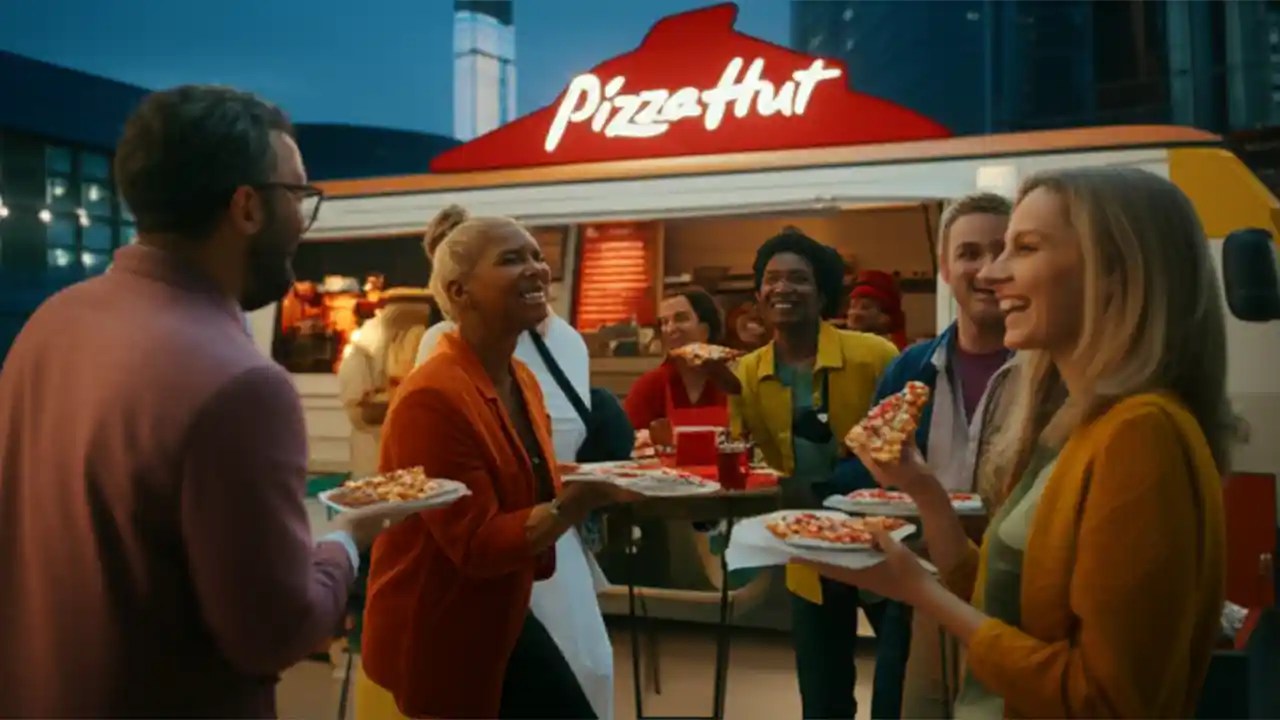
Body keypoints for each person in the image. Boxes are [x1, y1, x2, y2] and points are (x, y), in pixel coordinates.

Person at [0, 85, 404, 717]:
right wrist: (348, 541)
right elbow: (275, 631)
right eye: (299, 196)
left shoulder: (51, 324)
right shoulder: (242, 386)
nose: (303, 219)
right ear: (246, 207)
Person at [802, 167, 1230, 717]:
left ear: (1116, 273)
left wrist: (921, 592)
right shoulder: (1079, 423)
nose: (994, 275)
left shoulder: (1141, 434)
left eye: (1023, 248)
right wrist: (922, 488)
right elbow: (1003, 595)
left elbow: (1105, 700)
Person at [360, 214, 638, 719]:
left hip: (501, 612)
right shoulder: (433, 397)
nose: (536, 269)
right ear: (459, 292)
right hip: (442, 629)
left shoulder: (522, 379)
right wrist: (577, 504)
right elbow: (477, 545)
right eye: (511, 260)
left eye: (536, 255)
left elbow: (528, 478)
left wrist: (609, 479)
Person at [831, 192, 1014, 718]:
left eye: (1001, 251)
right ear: (945, 268)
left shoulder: (1052, 372)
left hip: (1014, 595)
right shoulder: (910, 369)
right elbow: (865, 463)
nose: (985, 269)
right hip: (921, 590)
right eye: (969, 253)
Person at [729, 228, 899, 720]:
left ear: (823, 293)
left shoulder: (874, 355)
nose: (784, 288)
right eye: (772, 279)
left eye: (799, 279)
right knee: (822, 697)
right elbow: (745, 458)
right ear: (759, 295)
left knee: (900, 685)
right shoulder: (744, 373)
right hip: (809, 546)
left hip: (884, 545)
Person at [337, 289, 432, 479]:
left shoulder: (435, 346)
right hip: (375, 465)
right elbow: (361, 414)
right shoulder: (362, 354)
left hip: (421, 470)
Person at [626, 287, 734, 435]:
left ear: (705, 329)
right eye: (664, 322)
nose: (670, 329)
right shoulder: (649, 387)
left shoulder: (733, 383)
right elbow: (629, 444)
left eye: (681, 319)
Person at [846, 269, 909, 349]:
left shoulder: (891, 350)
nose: (855, 313)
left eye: (865, 307)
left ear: (885, 318)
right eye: (853, 306)